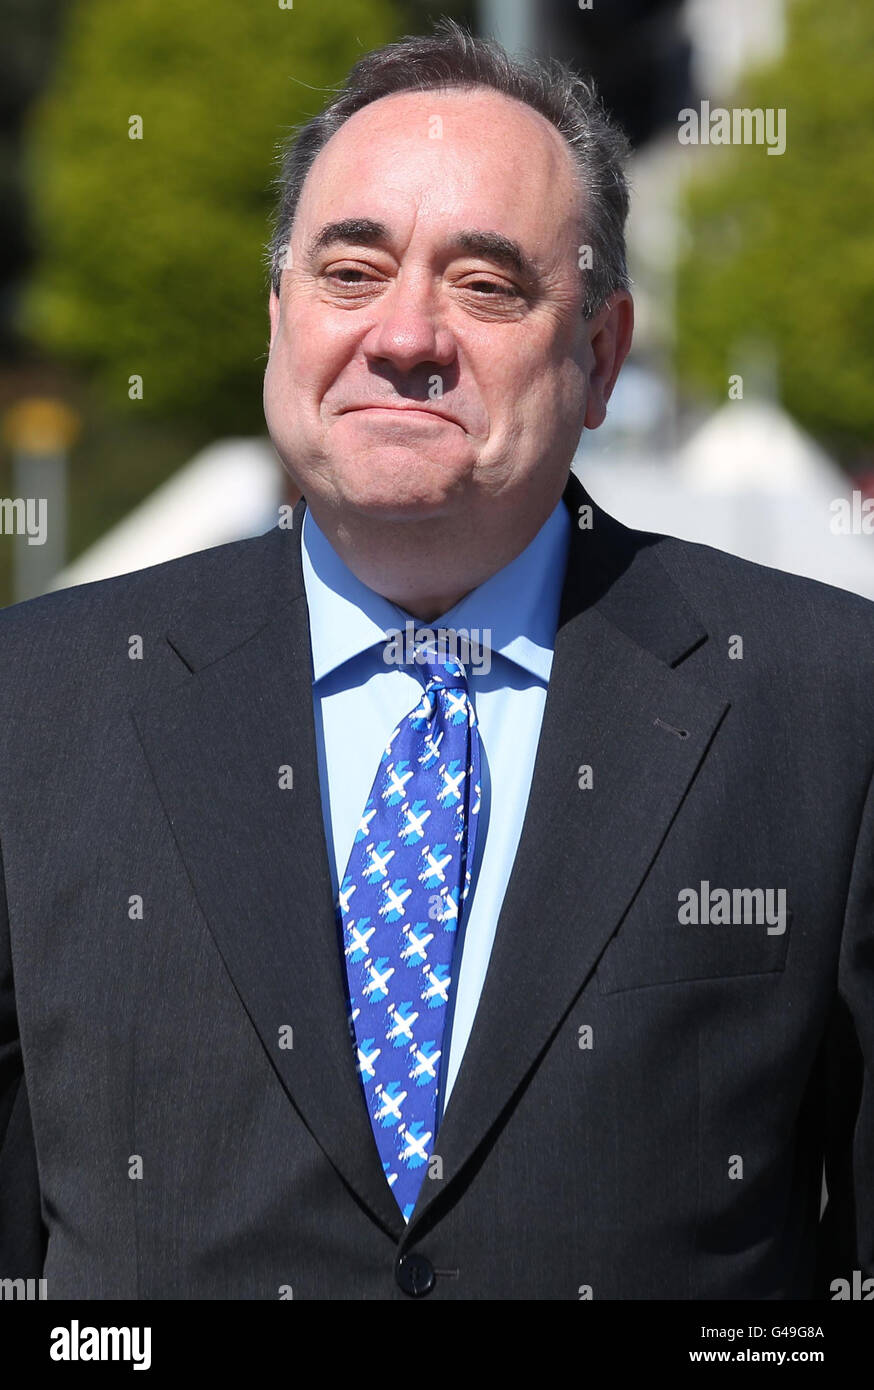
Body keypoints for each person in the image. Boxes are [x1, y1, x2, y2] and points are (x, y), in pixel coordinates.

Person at [0, 19, 871, 1301]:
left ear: (599, 356)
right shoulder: (39, 702)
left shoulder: (822, 702)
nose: (405, 335)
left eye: (486, 284)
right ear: (279, 319)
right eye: (351, 271)